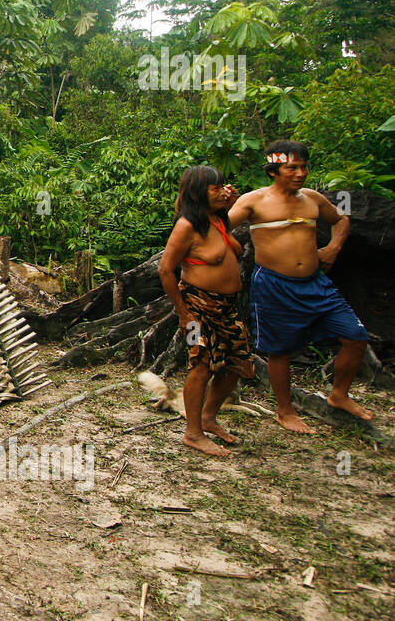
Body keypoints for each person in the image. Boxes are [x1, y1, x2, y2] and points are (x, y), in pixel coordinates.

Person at [226, 141, 372, 432]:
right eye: (291, 167)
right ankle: (285, 410)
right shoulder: (253, 201)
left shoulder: (312, 199)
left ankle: (339, 394)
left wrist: (333, 248)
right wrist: (235, 249)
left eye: (303, 166)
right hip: (273, 285)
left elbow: (341, 219)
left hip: (316, 283)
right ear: (273, 171)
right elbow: (214, 228)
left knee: (356, 336)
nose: (300, 173)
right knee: (280, 350)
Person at [159, 166, 256, 457]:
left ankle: (208, 417)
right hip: (196, 307)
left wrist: (227, 204)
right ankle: (192, 433)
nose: (223, 191)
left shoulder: (218, 220)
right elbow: (165, 269)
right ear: (198, 193)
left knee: (238, 363)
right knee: (200, 366)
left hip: (227, 307)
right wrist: (183, 313)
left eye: (223, 187)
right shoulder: (187, 225)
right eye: (215, 188)